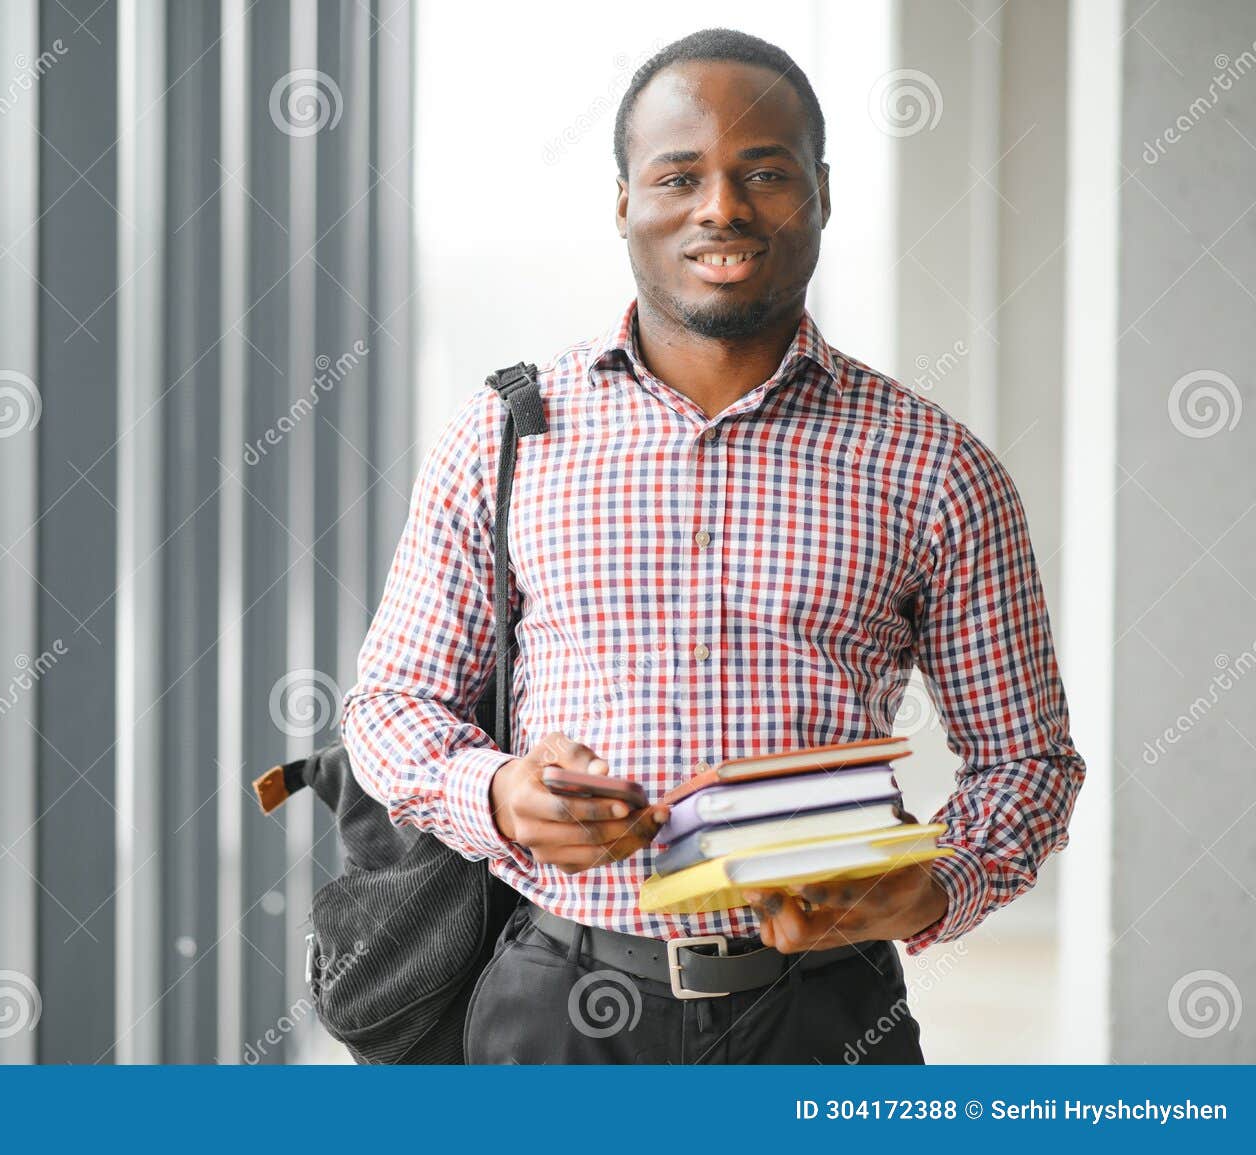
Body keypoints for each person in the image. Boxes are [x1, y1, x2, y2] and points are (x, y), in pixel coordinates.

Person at [339, 27, 1084, 1064]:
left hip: (828, 1017)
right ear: (623, 202)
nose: (721, 208)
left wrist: (933, 884)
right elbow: (389, 707)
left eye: (764, 173)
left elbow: (1027, 763)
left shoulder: (936, 466)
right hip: (558, 1009)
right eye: (678, 176)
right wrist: (499, 793)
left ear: (821, 193)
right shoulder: (505, 436)